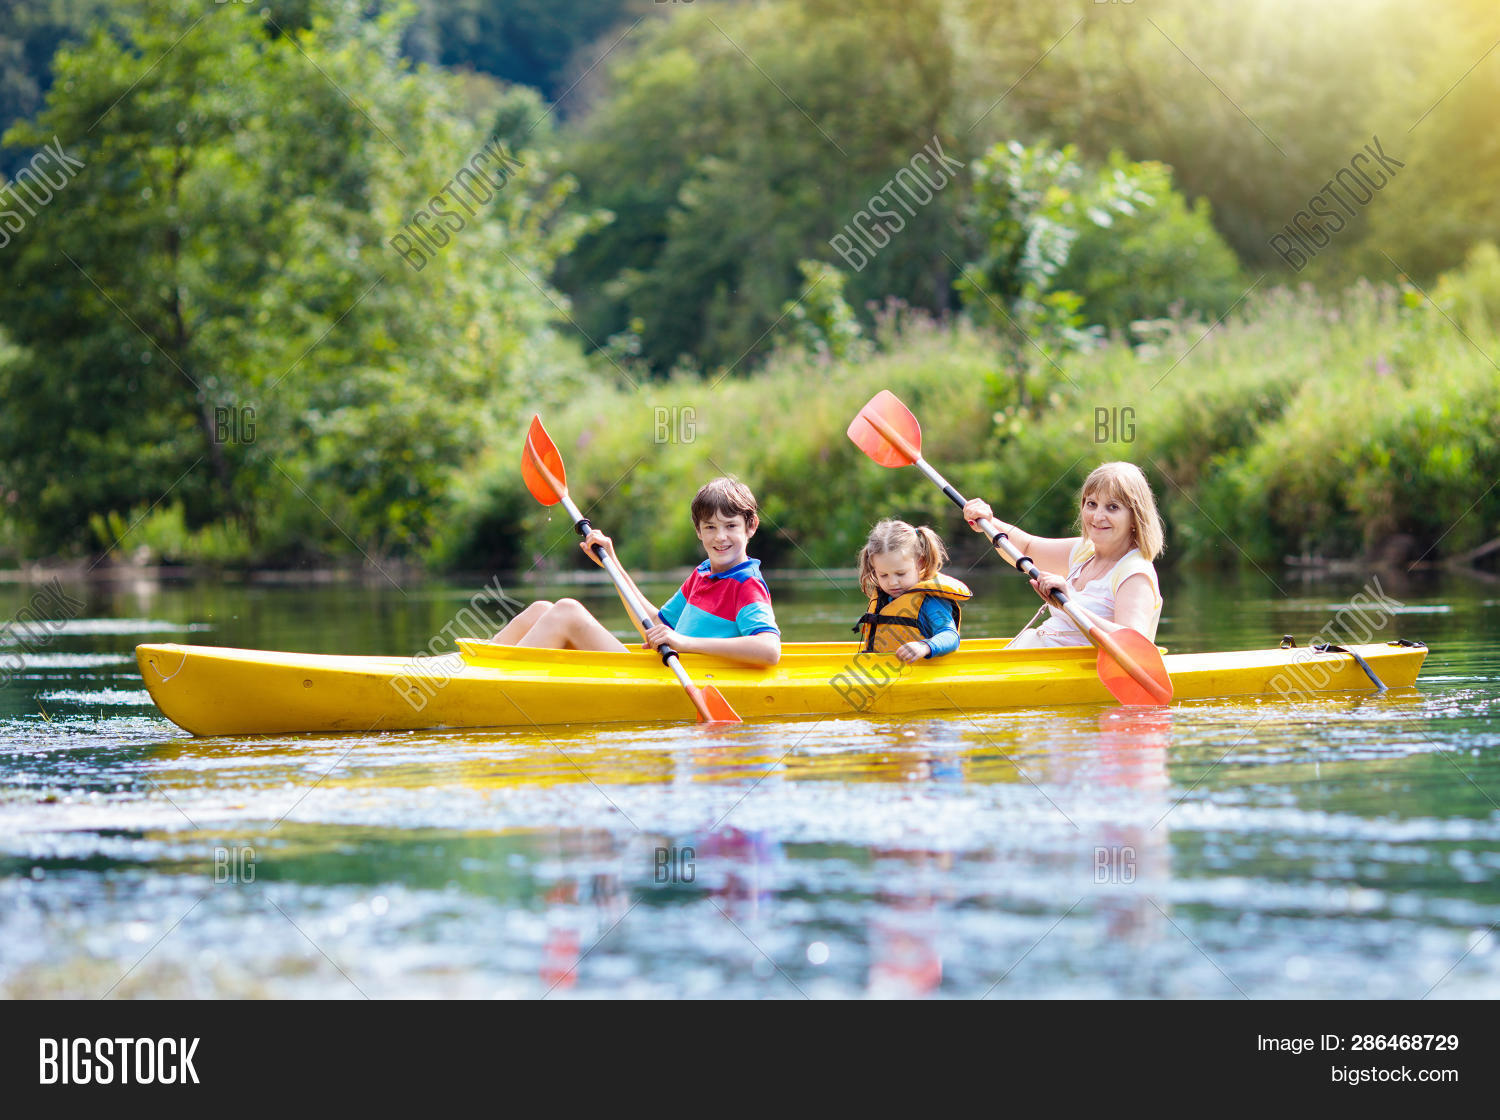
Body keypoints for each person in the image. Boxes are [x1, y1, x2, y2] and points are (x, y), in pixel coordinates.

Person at [492, 477, 781, 666]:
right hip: (662, 669)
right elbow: (655, 623)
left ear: (751, 526)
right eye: (710, 527)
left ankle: (497, 686)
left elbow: (769, 650)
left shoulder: (746, 584)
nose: (720, 537)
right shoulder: (703, 573)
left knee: (567, 610)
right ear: (698, 531)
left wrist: (684, 642)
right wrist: (612, 564)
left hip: (671, 678)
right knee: (542, 608)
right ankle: (477, 668)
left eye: (731, 526)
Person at [961, 462, 1163, 648]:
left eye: (1113, 507)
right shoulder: (1084, 552)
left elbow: (1136, 644)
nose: (1097, 516)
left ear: (1135, 517)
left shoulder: (1135, 573)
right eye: (1091, 503)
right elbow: (1026, 548)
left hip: (1077, 674)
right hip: (1039, 659)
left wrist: (1069, 604)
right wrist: (988, 522)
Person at [853, 519, 970, 662]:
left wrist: (924, 646)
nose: (892, 582)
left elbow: (950, 636)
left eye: (901, 574)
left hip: (924, 676)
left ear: (920, 563)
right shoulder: (884, 599)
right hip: (882, 674)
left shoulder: (930, 601)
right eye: (883, 575)